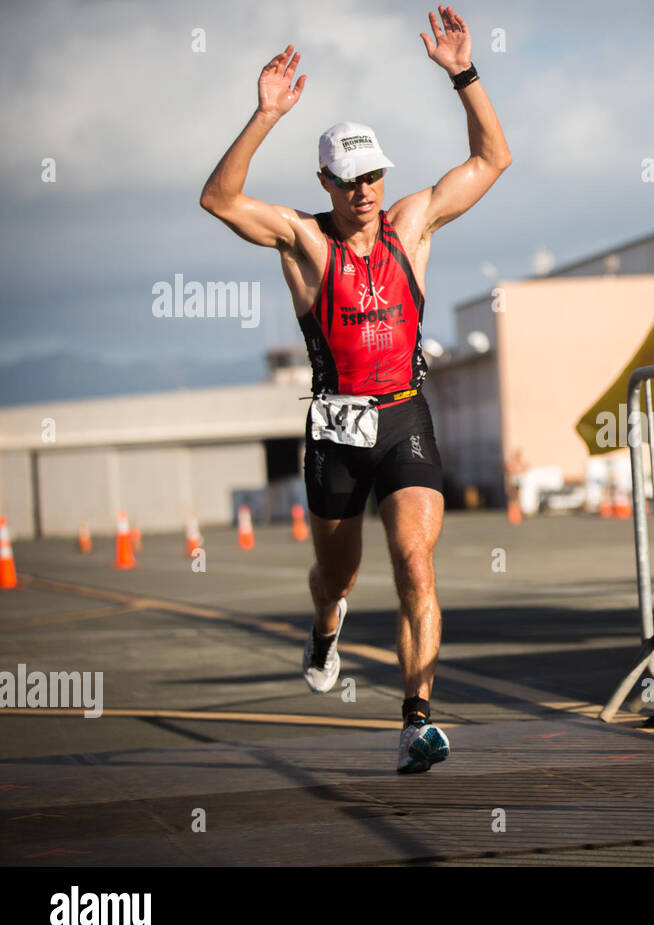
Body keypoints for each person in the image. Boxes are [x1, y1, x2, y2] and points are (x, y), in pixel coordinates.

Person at [200, 7, 510, 772]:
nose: (364, 191)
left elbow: (493, 159)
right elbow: (219, 199)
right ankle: (326, 624)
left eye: (372, 175)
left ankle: (416, 721)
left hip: (404, 414)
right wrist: (264, 114)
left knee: (414, 560)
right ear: (325, 184)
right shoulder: (304, 240)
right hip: (335, 428)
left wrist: (463, 75)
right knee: (335, 574)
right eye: (347, 181)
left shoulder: (413, 225)